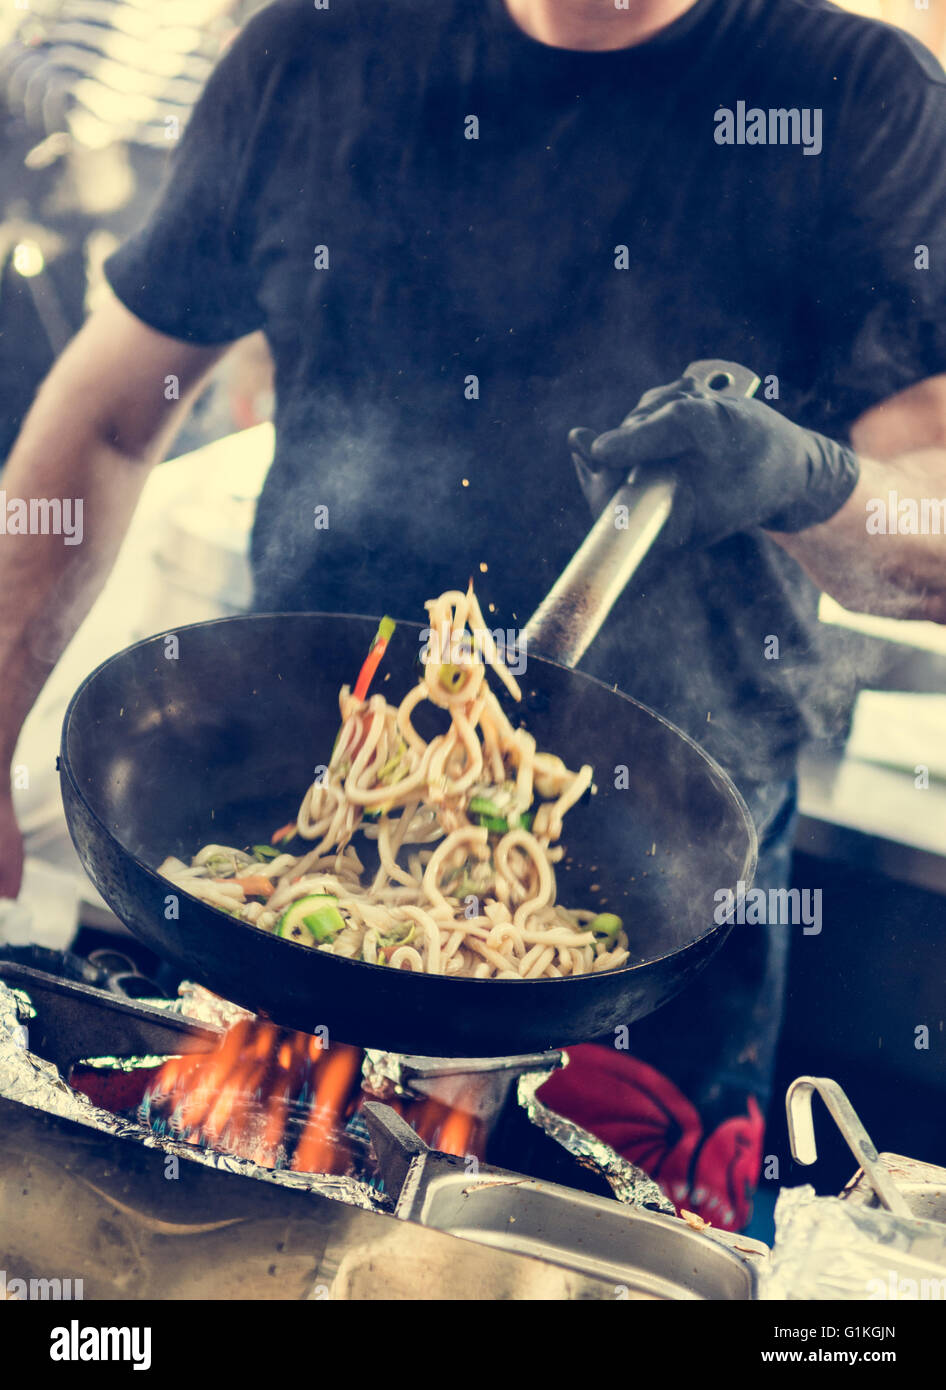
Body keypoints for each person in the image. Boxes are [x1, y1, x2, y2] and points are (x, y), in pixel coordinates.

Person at [1, 0, 945, 1229]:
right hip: (282, 901)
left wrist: (813, 482)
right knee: (229, 1255)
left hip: (638, 951)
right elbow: (110, 417)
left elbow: (924, 542)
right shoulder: (313, 51)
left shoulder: (855, 93)